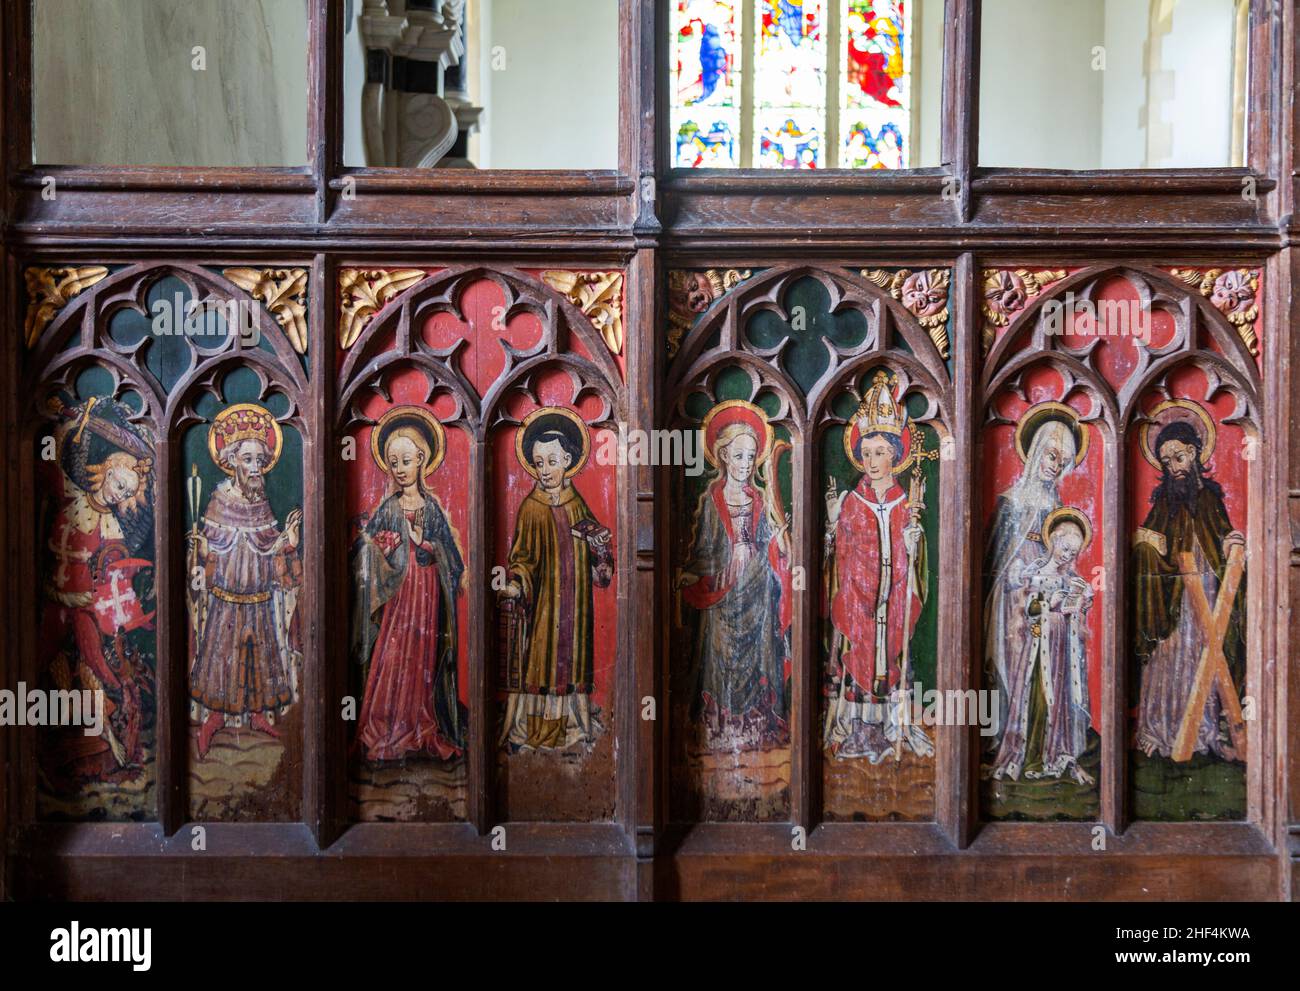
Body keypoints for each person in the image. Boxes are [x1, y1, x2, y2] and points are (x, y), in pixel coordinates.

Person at [823, 371, 931, 761]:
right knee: (861, 655)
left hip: (895, 597)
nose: (871, 461)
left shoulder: (907, 505)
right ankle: (859, 730)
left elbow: (918, 564)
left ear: (895, 456)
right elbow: (838, 555)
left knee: (892, 657)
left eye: (880, 452)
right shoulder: (853, 500)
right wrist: (833, 527)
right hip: (859, 599)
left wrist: (912, 548)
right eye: (866, 453)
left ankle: (891, 727)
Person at [352, 407, 465, 763]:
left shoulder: (431, 509)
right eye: (392, 462)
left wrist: (428, 546)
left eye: (405, 460)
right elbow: (364, 548)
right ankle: (386, 724)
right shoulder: (388, 507)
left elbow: (452, 558)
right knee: (393, 654)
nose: (399, 468)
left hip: (427, 596)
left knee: (423, 658)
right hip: (397, 599)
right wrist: (376, 547)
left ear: (422, 460)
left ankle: (420, 724)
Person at [1132, 404, 1245, 761]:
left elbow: (1222, 534)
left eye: (1178, 458)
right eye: (1166, 462)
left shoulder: (1210, 497)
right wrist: (1146, 543)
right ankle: (1159, 730)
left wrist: (1231, 541)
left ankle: (1205, 731)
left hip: (1207, 590)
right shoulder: (1164, 499)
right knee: (1168, 659)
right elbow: (1151, 538)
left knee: (1204, 654)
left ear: (1194, 453)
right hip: (1171, 598)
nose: (1173, 467)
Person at [188, 404, 302, 759]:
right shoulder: (219, 501)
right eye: (249, 460)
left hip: (260, 599)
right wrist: (204, 548)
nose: (256, 468)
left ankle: (256, 716)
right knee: (221, 660)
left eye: (260, 461)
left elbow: (266, 548)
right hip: (226, 599)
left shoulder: (261, 501)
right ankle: (214, 721)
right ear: (232, 461)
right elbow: (215, 550)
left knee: (261, 660)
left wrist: (287, 542)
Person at [498, 408, 613, 751]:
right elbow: (520, 557)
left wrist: (599, 552)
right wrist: (517, 583)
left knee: (572, 659)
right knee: (541, 660)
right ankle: (534, 728)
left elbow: (600, 563)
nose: (544, 470)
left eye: (551, 461)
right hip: (544, 605)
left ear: (567, 460)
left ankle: (573, 726)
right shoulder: (530, 508)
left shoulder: (577, 505)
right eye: (538, 463)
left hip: (575, 605)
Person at [678, 401, 790, 751]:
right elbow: (704, 551)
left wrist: (766, 545)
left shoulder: (759, 498)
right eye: (739, 456)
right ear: (724, 456)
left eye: (751, 457)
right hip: (723, 593)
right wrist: (721, 560)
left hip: (757, 593)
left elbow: (774, 543)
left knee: (760, 650)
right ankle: (720, 720)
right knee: (717, 653)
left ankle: (758, 721)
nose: (745, 464)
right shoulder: (712, 500)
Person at [983, 403, 1085, 754]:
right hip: (1013, 599)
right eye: (1051, 455)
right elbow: (995, 557)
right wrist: (1013, 577)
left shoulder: (1057, 504)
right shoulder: (1011, 501)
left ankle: (1043, 739)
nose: (1054, 466)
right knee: (1015, 662)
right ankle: (1010, 736)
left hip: (1046, 596)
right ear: (1037, 451)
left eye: (1061, 461)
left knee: (1049, 665)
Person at [986, 508, 1095, 784]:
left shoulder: (1073, 580)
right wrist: (1049, 603)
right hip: (1037, 650)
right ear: (1053, 541)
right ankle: (1030, 756)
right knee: (1037, 699)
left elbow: (1078, 617)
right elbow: (1027, 609)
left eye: (1073, 552)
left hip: (1061, 648)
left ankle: (1055, 753)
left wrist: (1079, 602)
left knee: (1058, 700)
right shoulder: (1034, 573)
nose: (1068, 556)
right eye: (1065, 548)